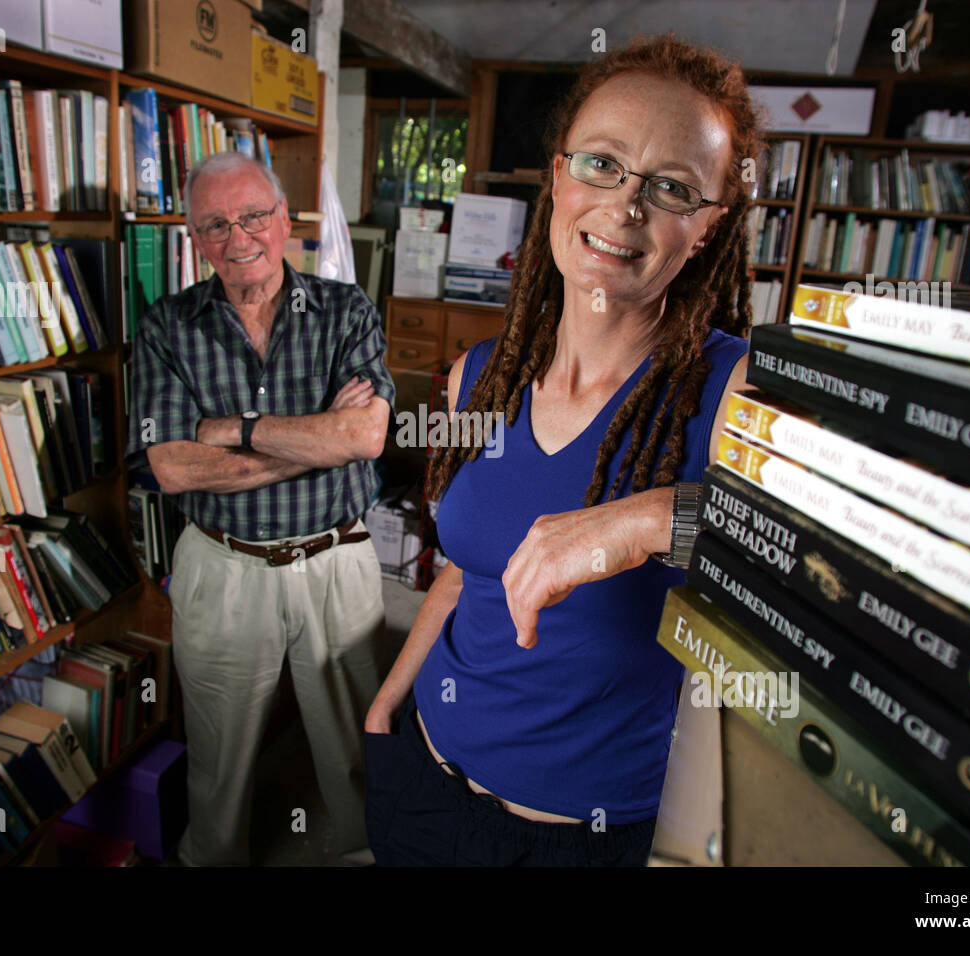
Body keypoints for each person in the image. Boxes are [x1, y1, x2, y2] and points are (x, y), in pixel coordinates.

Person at [363, 34, 762, 866]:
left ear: (709, 229)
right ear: (556, 176)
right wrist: (391, 695)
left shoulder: (732, 390)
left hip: (581, 839)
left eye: (672, 188)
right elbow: (465, 567)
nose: (625, 207)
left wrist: (646, 518)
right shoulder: (481, 375)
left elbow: (809, 567)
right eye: (602, 164)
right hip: (426, 778)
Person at [125, 150, 395, 866]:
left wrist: (237, 432)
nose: (237, 237)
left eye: (252, 216)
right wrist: (317, 440)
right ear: (194, 237)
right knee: (218, 755)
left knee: (353, 749)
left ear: (285, 221)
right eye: (215, 224)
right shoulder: (166, 327)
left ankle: (360, 852)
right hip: (222, 567)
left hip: (336, 559)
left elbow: (366, 435)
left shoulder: (345, 311)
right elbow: (173, 467)